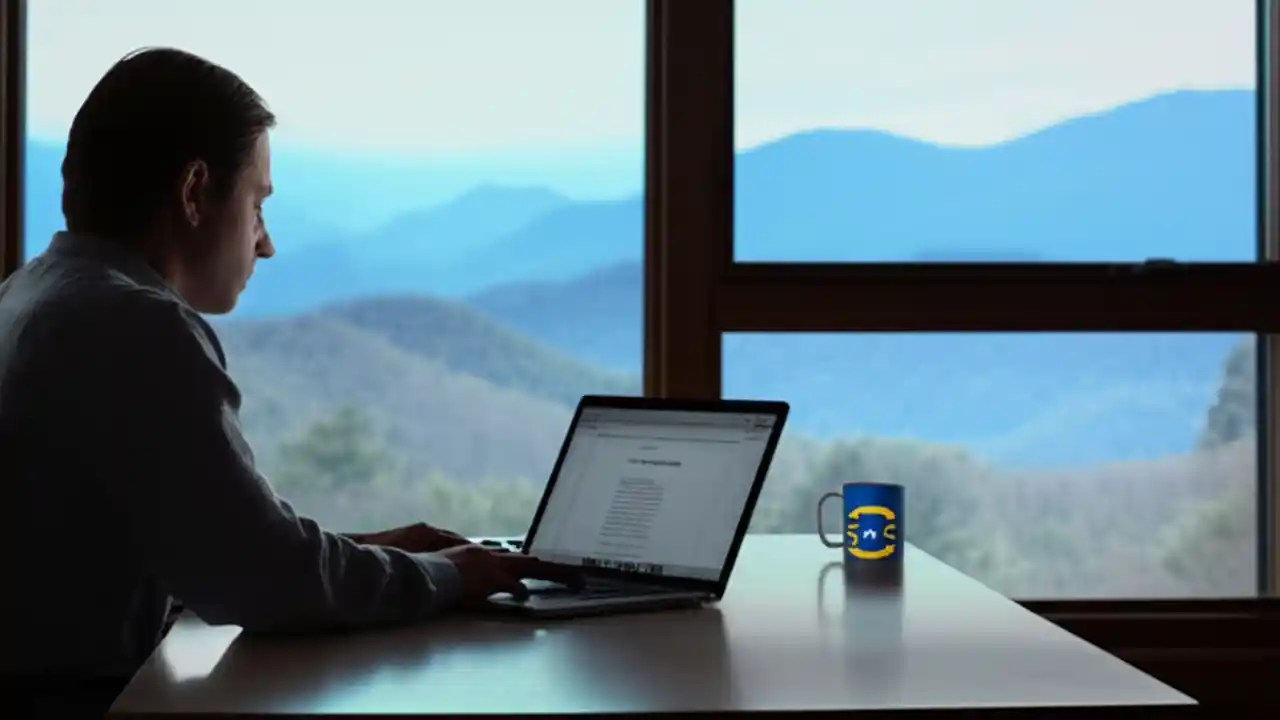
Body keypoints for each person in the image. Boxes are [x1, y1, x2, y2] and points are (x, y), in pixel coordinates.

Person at [0, 47, 578, 712]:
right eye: (257, 205)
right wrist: (449, 576)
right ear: (193, 193)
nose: (265, 242)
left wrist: (367, 552)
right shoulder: (136, 325)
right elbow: (256, 581)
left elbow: (203, 548)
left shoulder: (30, 295)